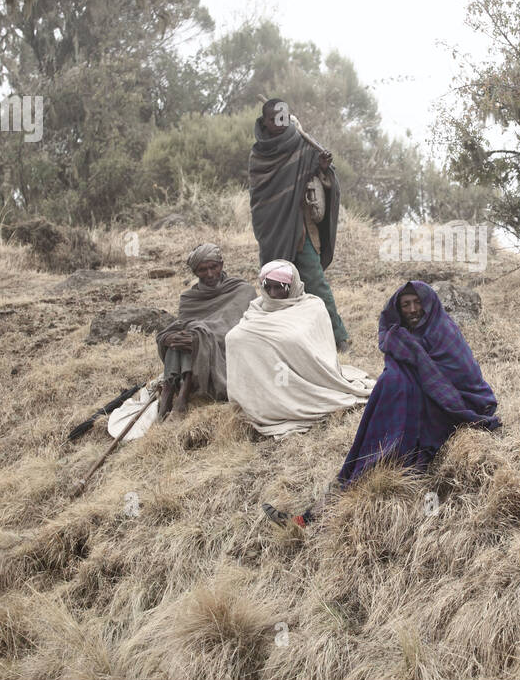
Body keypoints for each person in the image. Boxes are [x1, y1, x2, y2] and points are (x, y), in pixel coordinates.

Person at [262, 280, 501, 528]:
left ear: (428, 304)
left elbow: (465, 380)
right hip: (403, 412)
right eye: (405, 304)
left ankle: (315, 516)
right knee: (383, 407)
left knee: (387, 416)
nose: (412, 309)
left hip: (443, 412)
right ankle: (312, 516)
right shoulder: (400, 340)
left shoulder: (444, 334)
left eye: (417, 302)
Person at [226, 260, 374, 437]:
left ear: (293, 285)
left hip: (302, 379)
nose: (273, 294)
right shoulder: (258, 309)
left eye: (280, 287)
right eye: (268, 287)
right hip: (267, 382)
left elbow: (308, 345)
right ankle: (258, 398)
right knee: (234, 337)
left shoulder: (312, 306)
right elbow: (238, 336)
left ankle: (287, 399)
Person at [248, 98, 350, 351]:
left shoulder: (302, 143)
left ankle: (338, 339)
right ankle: (278, 340)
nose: (279, 123)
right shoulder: (259, 153)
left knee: (315, 282)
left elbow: (322, 176)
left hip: (302, 227)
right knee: (275, 283)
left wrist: (323, 167)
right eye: (274, 119)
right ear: (265, 120)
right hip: (273, 228)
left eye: (283, 117)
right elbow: (261, 196)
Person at [153, 243, 256, 420]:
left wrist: (200, 335)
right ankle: (170, 393)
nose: (209, 274)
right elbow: (183, 325)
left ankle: (180, 396)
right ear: (195, 272)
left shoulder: (242, 290)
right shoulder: (189, 298)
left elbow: (241, 328)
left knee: (196, 335)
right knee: (180, 336)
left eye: (213, 267)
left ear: (222, 265)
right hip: (196, 346)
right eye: (202, 270)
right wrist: (171, 338)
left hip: (227, 351)